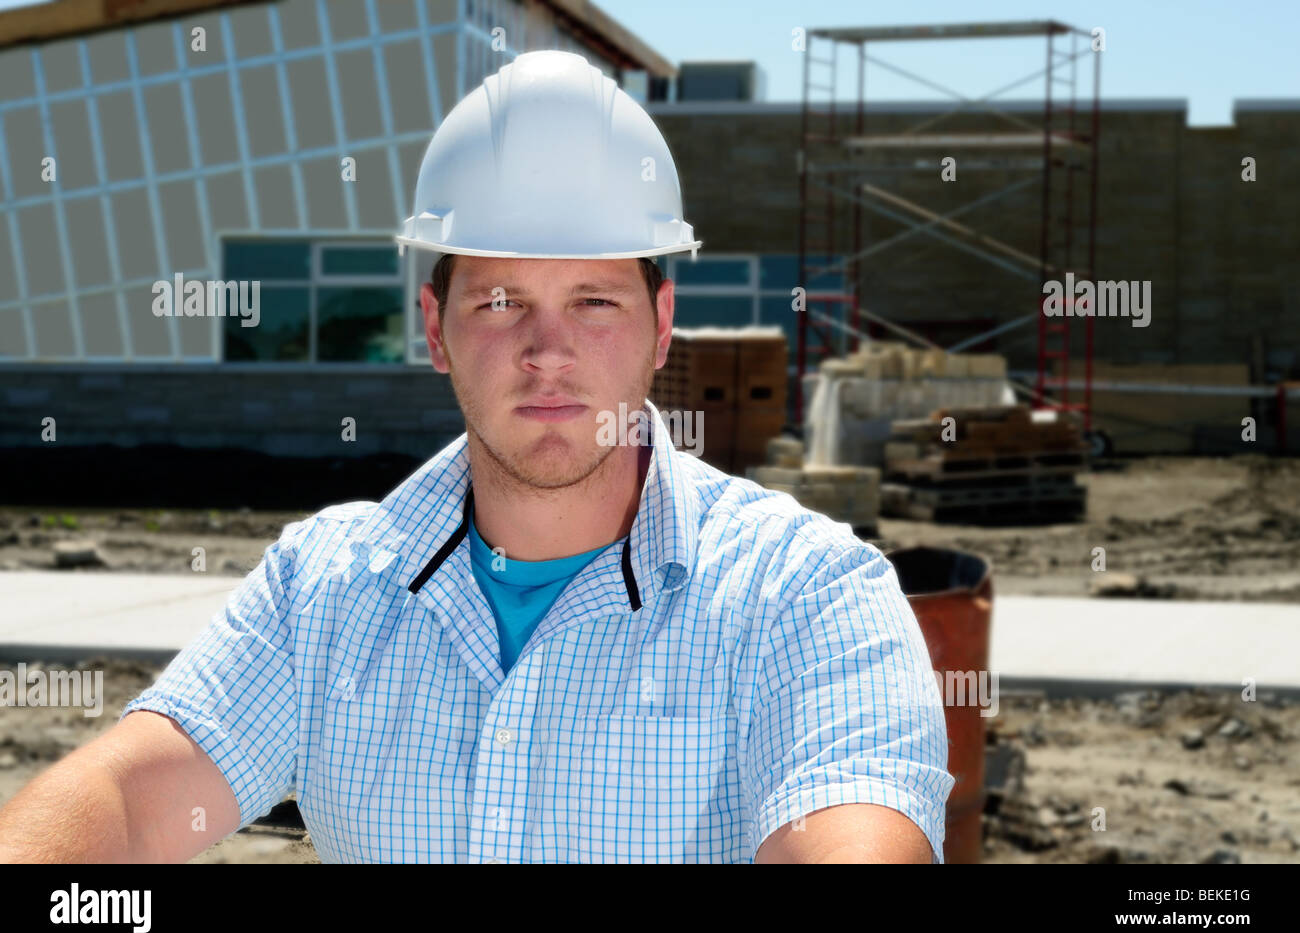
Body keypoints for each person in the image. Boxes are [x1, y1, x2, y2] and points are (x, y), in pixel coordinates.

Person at [0, 50, 952, 864]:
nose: (548, 351)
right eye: (499, 301)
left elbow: (851, 834)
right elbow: (124, 801)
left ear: (662, 326)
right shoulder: (326, 589)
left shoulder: (806, 593)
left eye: (594, 300)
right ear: (436, 329)